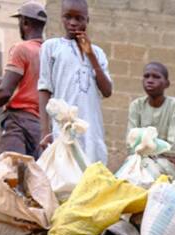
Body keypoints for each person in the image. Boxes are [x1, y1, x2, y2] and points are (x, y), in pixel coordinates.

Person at [37, 0, 112, 167]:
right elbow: (44, 88)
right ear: (61, 18)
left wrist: (90, 55)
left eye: (79, 18)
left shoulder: (97, 53)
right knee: (64, 177)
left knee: (91, 173)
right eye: (68, 17)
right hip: (62, 128)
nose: (73, 23)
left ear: (87, 20)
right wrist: (45, 130)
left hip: (91, 128)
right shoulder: (51, 47)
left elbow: (107, 91)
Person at [0, 2, 48, 158]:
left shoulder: (22, 49)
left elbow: (5, 92)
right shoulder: (47, 52)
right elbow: (26, 86)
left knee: (6, 173)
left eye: (20, 21)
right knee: (33, 175)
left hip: (18, 123)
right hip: (40, 127)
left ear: (24, 22)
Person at [127, 62, 175, 178]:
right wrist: (150, 152)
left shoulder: (174, 106)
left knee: (151, 174)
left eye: (156, 77)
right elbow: (131, 144)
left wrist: (146, 149)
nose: (150, 80)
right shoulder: (136, 106)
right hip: (142, 159)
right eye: (146, 76)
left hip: (171, 162)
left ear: (167, 84)